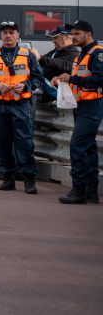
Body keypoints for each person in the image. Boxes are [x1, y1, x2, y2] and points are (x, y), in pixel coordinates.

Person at [0, 21, 44, 195]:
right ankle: (8, 178)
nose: (8, 35)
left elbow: (38, 78)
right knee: (2, 142)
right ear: (1, 35)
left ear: (17, 34)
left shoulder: (28, 55)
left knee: (25, 142)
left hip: (21, 105)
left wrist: (26, 86)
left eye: (11, 32)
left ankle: (29, 180)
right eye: (5, 32)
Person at [52, 19, 103, 204]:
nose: (72, 37)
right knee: (88, 148)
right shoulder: (82, 55)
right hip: (81, 106)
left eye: (77, 34)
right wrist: (61, 79)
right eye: (72, 34)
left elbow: (99, 79)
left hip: (93, 105)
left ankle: (78, 191)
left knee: (77, 145)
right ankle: (90, 191)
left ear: (88, 34)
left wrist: (72, 79)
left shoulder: (97, 54)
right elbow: (78, 78)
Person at [32, 26, 80, 101]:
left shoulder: (74, 52)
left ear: (67, 37)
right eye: (52, 38)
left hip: (60, 93)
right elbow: (42, 61)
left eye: (55, 38)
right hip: (48, 90)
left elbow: (64, 64)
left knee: (32, 91)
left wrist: (41, 57)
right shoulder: (55, 51)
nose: (53, 41)